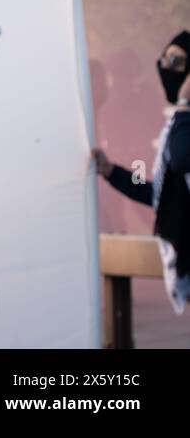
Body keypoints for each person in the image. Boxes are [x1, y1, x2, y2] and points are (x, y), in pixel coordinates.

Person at [92, 31, 190, 314]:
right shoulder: (176, 122)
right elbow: (161, 195)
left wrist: (184, 106)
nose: (167, 68)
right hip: (138, 164)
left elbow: (182, 158)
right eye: (165, 60)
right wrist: (114, 173)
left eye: (177, 61)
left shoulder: (177, 118)